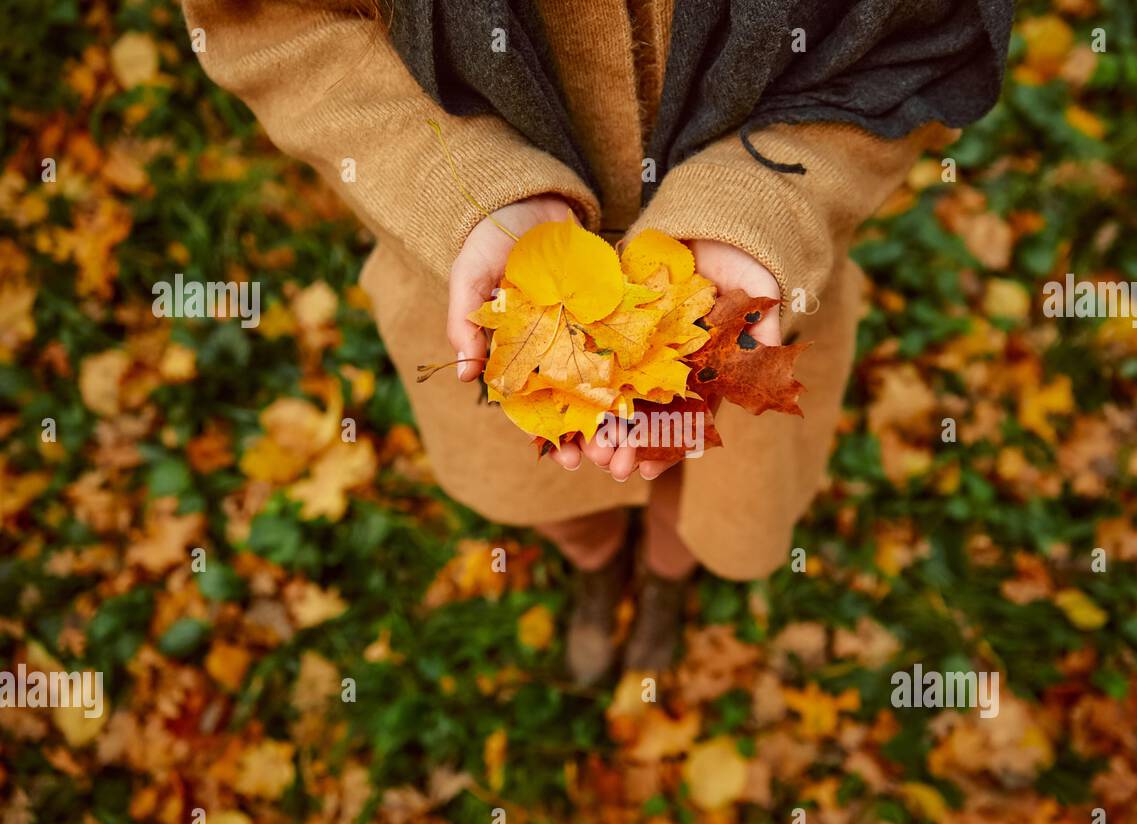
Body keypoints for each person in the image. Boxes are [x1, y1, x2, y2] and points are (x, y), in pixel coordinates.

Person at [184, 0, 1010, 683]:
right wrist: (465, 189)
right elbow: (275, 25)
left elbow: (916, 40)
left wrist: (762, 207)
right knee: (549, 484)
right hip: (487, 291)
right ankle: (595, 564)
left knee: (717, 494)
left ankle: (663, 578)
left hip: (746, 299)